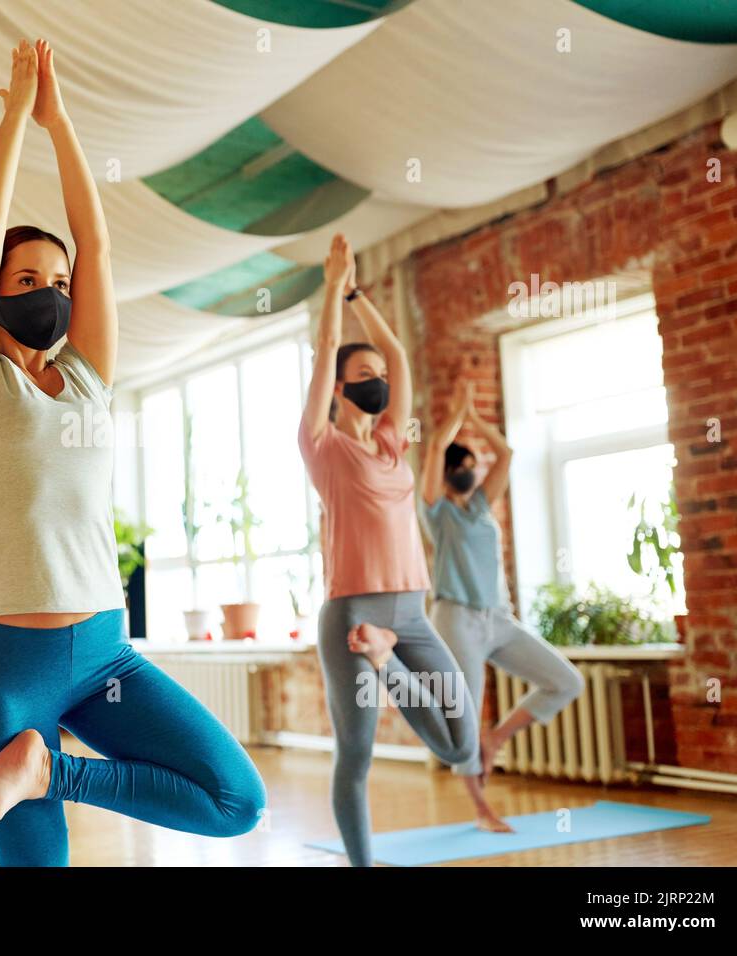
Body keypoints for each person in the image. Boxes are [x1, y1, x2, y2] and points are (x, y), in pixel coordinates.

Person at [0, 39, 266, 866]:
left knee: (236, 802)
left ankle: (48, 772)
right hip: (4, 667)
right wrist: (15, 114)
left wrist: (62, 118)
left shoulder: (88, 377)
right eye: (26, 279)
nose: (48, 290)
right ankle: (29, 764)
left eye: (58, 279)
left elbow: (100, 243)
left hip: (105, 653)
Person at [297, 232, 479, 867]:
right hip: (353, 615)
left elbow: (399, 355)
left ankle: (388, 664)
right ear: (340, 390)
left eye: (378, 378)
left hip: (410, 616)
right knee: (358, 756)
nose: (377, 383)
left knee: (461, 742)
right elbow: (325, 348)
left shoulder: (392, 444)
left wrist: (357, 294)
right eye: (362, 376)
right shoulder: (323, 445)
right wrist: (330, 294)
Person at [420, 382, 584, 832]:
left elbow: (507, 455)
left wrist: (475, 423)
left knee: (566, 680)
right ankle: (481, 808)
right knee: (463, 711)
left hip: (499, 618)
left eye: (474, 467)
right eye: (464, 467)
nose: (470, 473)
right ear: (449, 472)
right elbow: (435, 446)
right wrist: (455, 416)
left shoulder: (479, 507)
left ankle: (496, 739)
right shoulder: (437, 512)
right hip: (456, 618)